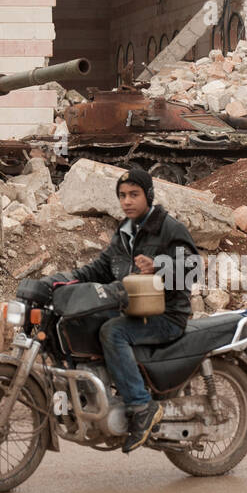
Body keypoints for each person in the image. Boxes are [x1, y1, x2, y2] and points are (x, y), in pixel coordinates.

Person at [68, 166, 200, 454]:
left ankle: (142, 407)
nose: (127, 201)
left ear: (149, 196)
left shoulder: (170, 228)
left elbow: (194, 269)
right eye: (122, 195)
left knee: (112, 332)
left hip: (166, 316)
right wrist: (63, 281)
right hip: (133, 311)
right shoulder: (124, 233)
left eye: (134, 194)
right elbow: (100, 269)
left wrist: (160, 267)